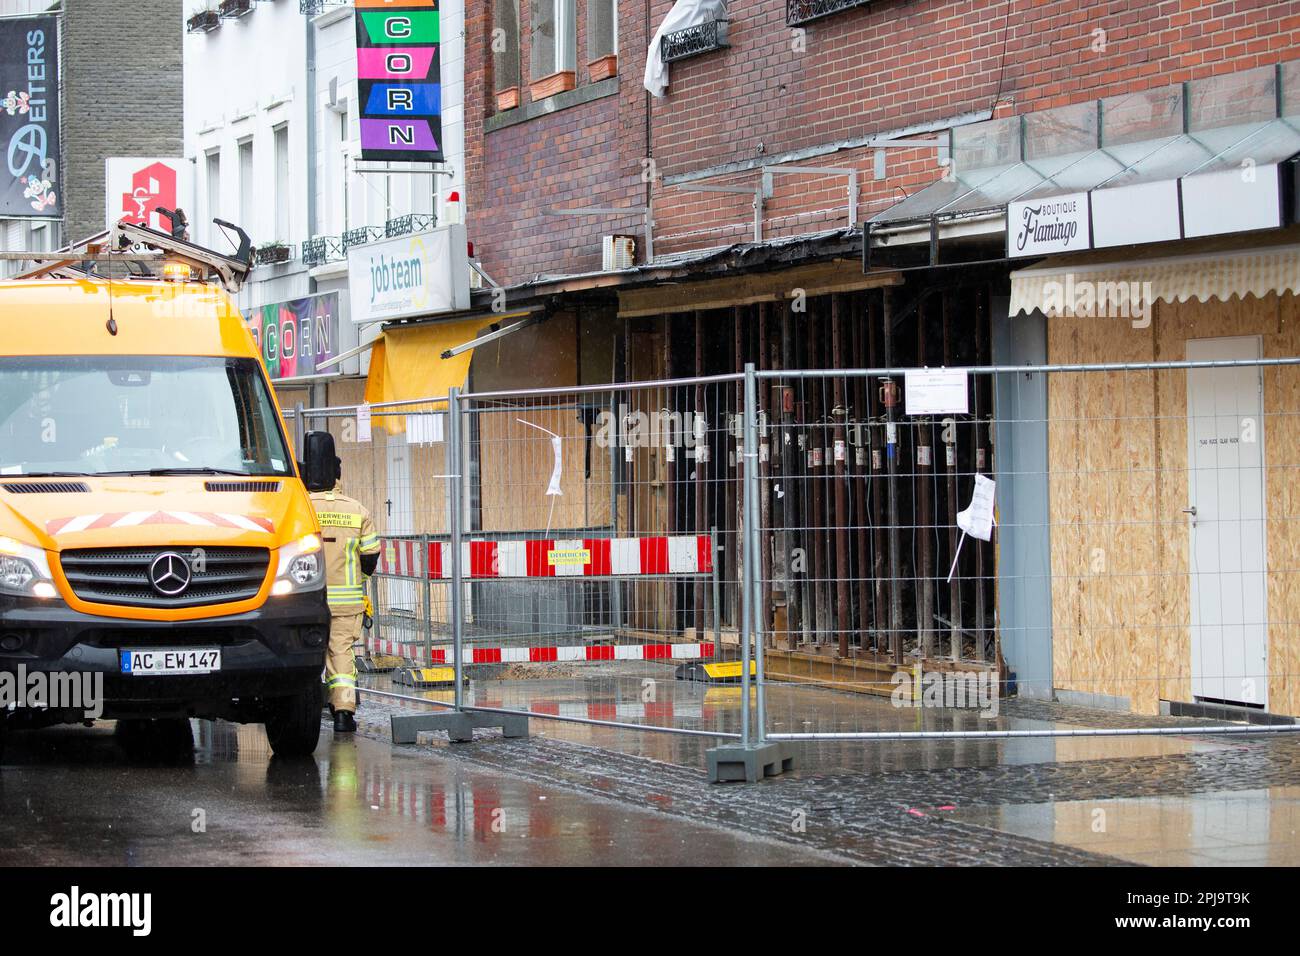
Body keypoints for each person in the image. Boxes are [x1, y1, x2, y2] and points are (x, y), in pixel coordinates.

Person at [306, 433, 380, 734]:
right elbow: (371, 555)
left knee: (306, 654)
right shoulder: (357, 509)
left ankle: (304, 709)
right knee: (342, 657)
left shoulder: (301, 507)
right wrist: (358, 581)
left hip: (306, 600)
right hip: (346, 602)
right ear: (338, 474)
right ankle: (344, 714)